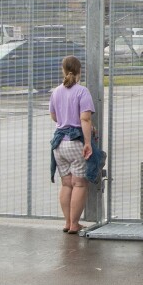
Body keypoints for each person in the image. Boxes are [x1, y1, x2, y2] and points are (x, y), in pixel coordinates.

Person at [49, 55, 94, 235]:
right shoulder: (82, 92)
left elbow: (54, 116)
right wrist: (88, 142)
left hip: (59, 144)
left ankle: (67, 222)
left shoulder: (56, 91)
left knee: (66, 184)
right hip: (75, 142)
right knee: (79, 184)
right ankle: (75, 224)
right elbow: (85, 118)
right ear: (79, 71)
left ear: (63, 69)